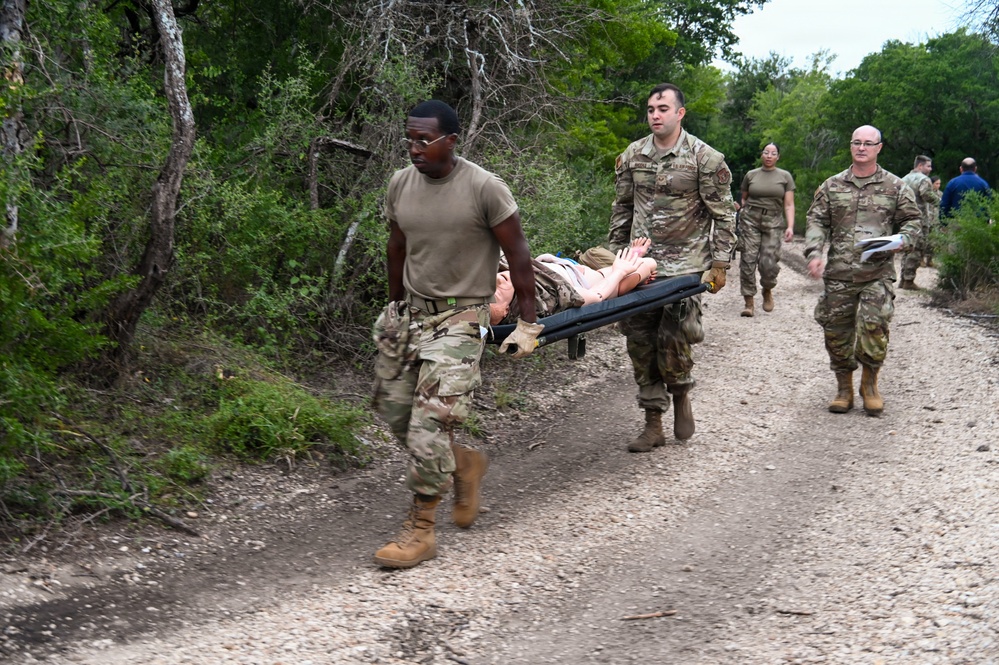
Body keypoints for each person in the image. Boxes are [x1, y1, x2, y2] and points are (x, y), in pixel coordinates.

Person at [372, 100, 541, 569]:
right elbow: (396, 246)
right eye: (409, 138)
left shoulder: (484, 188)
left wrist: (526, 323)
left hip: (462, 317)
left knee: (428, 423)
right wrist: (394, 308)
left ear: (451, 140)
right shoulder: (400, 184)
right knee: (394, 410)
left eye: (424, 140)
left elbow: (520, 255)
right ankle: (464, 462)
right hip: (412, 314)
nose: (414, 148)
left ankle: (420, 529)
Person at [608, 82, 737, 453]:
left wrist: (720, 263)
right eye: (650, 109)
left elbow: (724, 215)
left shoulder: (704, 158)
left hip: (685, 268)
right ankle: (653, 422)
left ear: (680, 113)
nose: (655, 115)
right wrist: (615, 261)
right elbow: (622, 209)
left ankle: (680, 391)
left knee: (674, 339)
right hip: (639, 267)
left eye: (663, 108)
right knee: (640, 343)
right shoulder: (632, 155)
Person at [805, 125, 921, 417]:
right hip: (839, 273)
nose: (862, 148)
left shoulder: (896, 186)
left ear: (879, 148)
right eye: (857, 142)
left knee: (874, 328)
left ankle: (870, 386)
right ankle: (843, 388)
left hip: (877, 273)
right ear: (850, 146)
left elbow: (913, 222)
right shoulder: (832, 185)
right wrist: (815, 252)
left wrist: (903, 241)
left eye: (868, 143)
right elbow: (817, 221)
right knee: (836, 333)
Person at [490, 238, 657, 325]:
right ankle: (633, 266)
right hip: (587, 279)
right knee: (648, 264)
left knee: (593, 254)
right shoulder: (544, 300)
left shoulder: (492, 273)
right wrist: (620, 271)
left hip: (560, 264)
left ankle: (628, 266)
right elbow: (596, 296)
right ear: (506, 310)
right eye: (496, 292)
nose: (497, 279)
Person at [738, 142, 796, 316]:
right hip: (750, 220)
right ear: (762, 155)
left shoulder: (785, 177)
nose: (769, 156)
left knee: (768, 262)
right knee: (748, 260)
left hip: (773, 220)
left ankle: (767, 289)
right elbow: (744, 198)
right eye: (766, 152)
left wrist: (791, 226)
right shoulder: (751, 175)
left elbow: (789, 204)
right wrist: (745, 213)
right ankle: (749, 301)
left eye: (773, 153)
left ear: (778, 157)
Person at [899, 155, 941, 289]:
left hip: (904, 217)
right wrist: (940, 202)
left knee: (907, 248)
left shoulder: (904, 179)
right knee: (917, 249)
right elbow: (926, 194)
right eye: (928, 166)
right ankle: (909, 281)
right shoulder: (924, 180)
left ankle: (903, 279)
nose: (930, 169)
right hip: (919, 218)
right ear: (920, 166)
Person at [925, 175, 941, 266]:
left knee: (934, 241)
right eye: (936, 183)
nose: (938, 185)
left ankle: (930, 259)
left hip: (935, 220)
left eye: (939, 184)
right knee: (925, 240)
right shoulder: (927, 194)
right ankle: (921, 259)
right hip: (927, 219)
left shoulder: (940, 194)